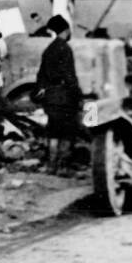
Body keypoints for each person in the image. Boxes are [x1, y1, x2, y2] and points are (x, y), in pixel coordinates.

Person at [35, 15, 83, 175]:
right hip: (65, 96)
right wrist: (78, 94)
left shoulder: (49, 49)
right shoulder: (65, 48)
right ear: (66, 29)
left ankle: (51, 166)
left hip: (51, 96)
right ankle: (63, 168)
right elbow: (69, 75)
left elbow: (40, 75)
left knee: (53, 131)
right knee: (68, 132)